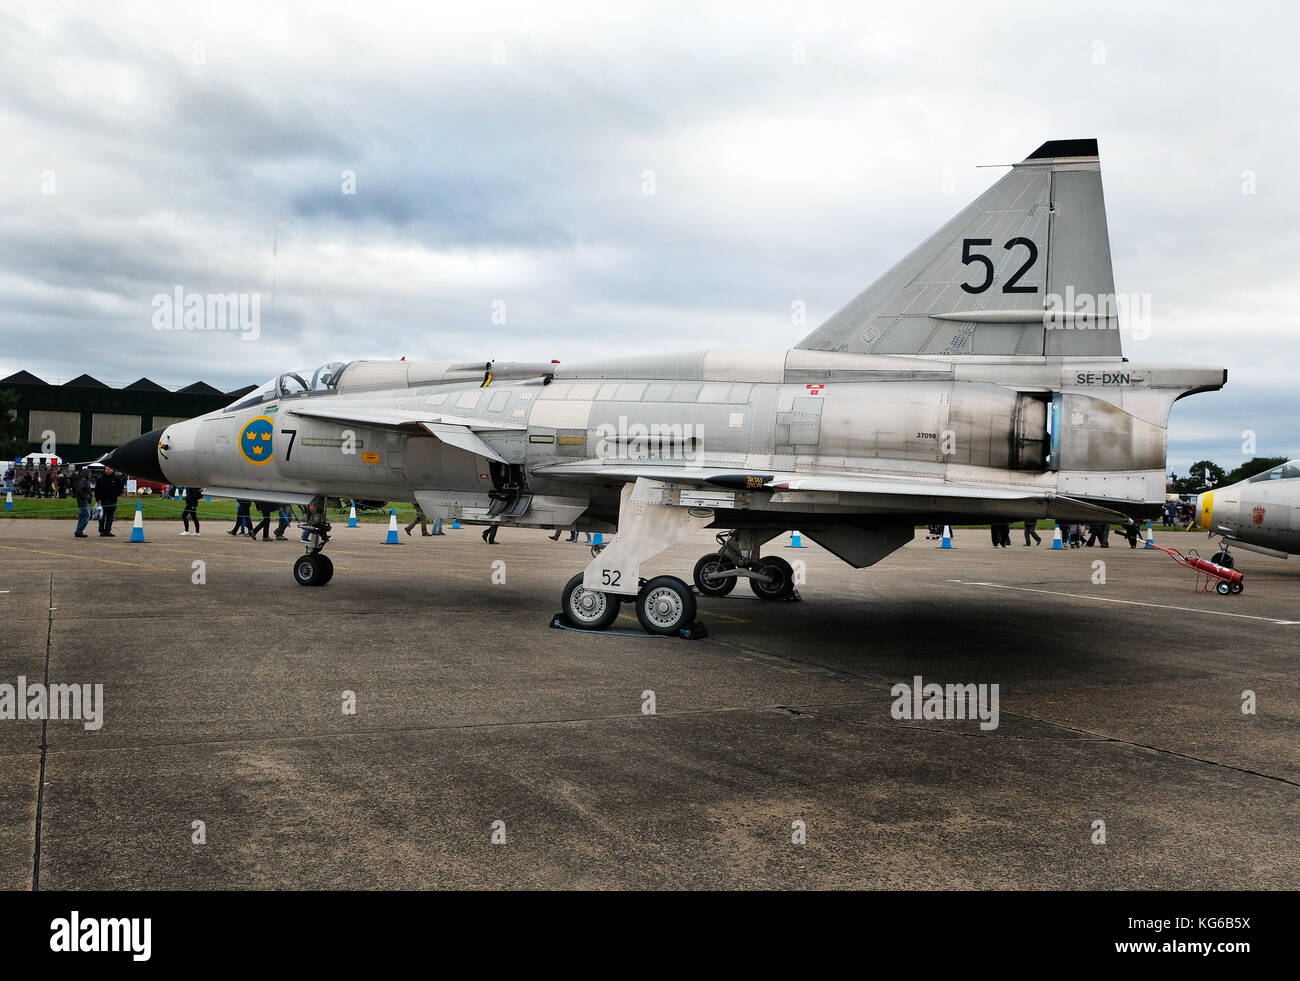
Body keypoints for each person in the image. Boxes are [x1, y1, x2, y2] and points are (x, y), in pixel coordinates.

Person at [95, 466, 126, 536]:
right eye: (106, 469)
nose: (108, 470)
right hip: (102, 501)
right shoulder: (101, 478)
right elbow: (97, 490)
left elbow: (121, 488)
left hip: (112, 500)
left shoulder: (116, 478)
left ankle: (108, 530)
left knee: (110, 517)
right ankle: (101, 531)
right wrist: (98, 499)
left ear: (113, 470)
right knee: (101, 517)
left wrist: (116, 494)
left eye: (109, 469)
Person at [72, 469, 92, 538]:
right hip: (83, 501)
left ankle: (78, 531)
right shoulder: (83, 480)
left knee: (82, 516)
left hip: (82, 501)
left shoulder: (83, 479)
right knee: (87, 516)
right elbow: (79, 490)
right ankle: (79, 531)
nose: (90, 474)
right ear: (86, 473)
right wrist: (86, 496)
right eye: (89, 473)